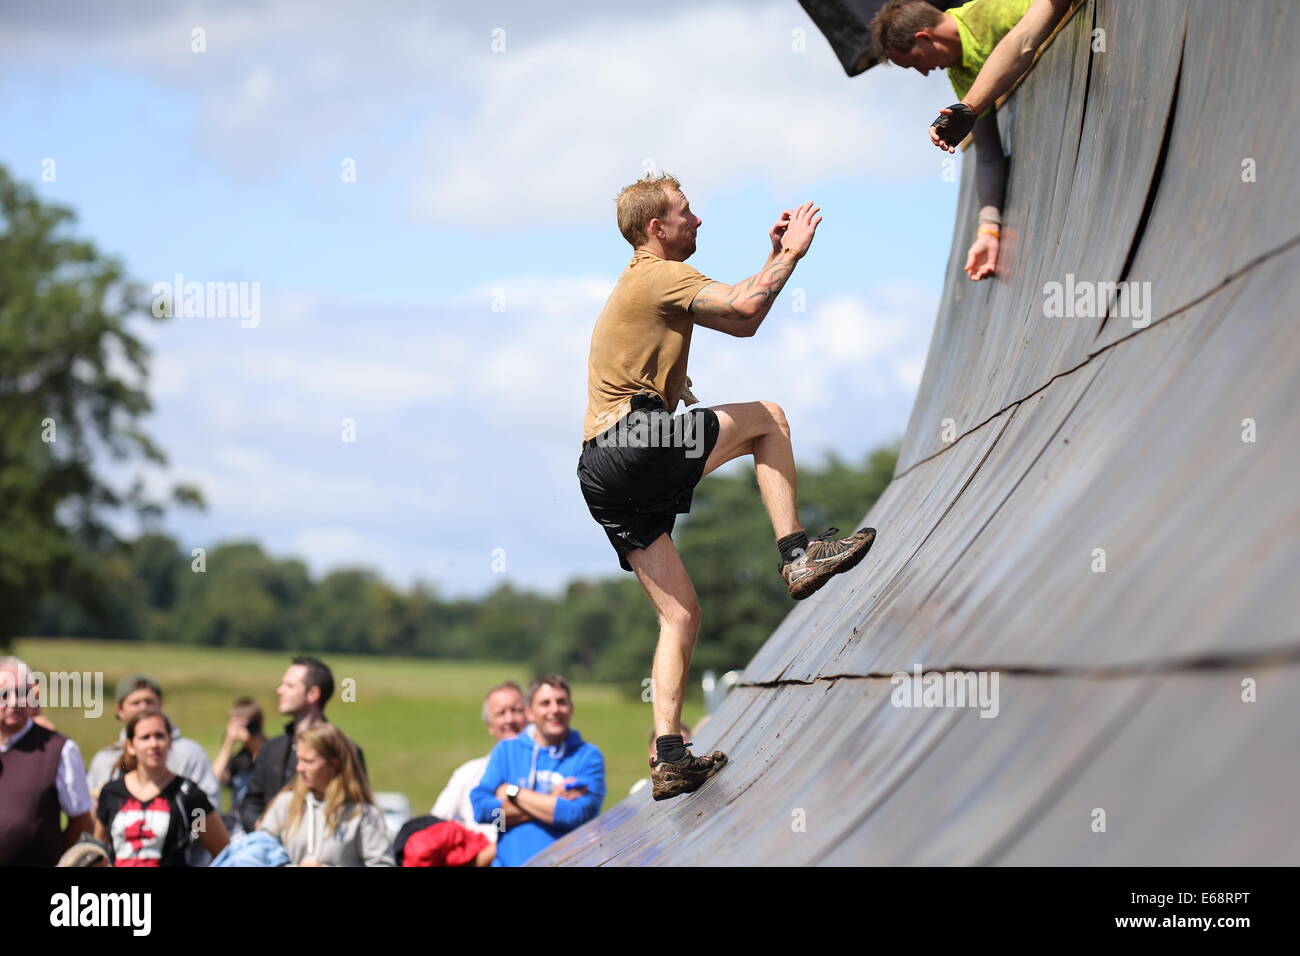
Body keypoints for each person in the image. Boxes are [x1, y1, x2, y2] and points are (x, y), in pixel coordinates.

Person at [576, 174, 876, 799]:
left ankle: (667, 754)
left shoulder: (649, 283)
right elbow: (743, 306)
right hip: (636, 442)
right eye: (686, 213)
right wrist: (792, 251)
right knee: (769, 418)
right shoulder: (657, 275)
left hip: (600, 470)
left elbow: (744, 322)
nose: (699, 221)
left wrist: (771, 260)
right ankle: (797, 554)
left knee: (680, 613)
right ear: (656, 228)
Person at [871, 0, 1074, 280]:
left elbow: (1024, 38)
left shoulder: (990, 12)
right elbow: (988, 154)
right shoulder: (961, 73)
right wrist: (988, 229)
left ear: (924, 37)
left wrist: (970, 106)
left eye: (916, 62)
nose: (924, 73)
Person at [470, 676, 605, 867]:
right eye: (545, 703)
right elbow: (482, 810)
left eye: (561, 702)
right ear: (530, 713)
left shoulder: (588, 756)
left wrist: (513, 793)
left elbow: (577, 815)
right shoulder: (506, 750)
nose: (554, 709)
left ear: (571, 708)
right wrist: (552, 799)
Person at [238, 656, 366, 832]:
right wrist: (261, 826)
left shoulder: (344, 750)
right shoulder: (270, 748)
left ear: (313, 694)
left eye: (289, 686)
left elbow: (356, 807)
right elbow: (250, 802)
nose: (279, 690)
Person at [93, 709, 230, 866]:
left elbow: (224, 851)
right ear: (130, 745)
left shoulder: (188, 795)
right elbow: (99, 853)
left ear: (170, 741)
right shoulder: (111, 792)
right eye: (145, 737)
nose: (154, 744)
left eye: (159, 736)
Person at [0, 657, 94, 866]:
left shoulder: (59, 749)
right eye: (5, 694)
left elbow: (80, 820)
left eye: (23, 693)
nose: (15, 702)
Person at [257, 723, 394, 866]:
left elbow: (383, 863)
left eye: (308, 761)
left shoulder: (362, 814)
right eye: (299, 759)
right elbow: (260, 853)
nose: (299, 768)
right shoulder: (286, 804)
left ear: (334, 763)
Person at [86, 674, 220, 808]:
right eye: (135, 703)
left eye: (149, 701)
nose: (143, 707)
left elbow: (207, 808)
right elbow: (90, 810)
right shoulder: (105, 759)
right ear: (120, 710)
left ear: (160, 704)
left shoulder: (189, 752)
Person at [430, 681, 526, 843]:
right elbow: (435, 824)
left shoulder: (545, 770)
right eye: (501, 713)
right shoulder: (468, 774)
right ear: (489, 725)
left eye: (516, 710)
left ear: (529, 715)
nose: (509, 719)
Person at [212, 696, 266, 818]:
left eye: (244, 723)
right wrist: (228, 742)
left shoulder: (272, 749)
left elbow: (265, 768)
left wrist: (251, 741)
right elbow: (214, 781)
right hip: (237, 818)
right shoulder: (239, 759)